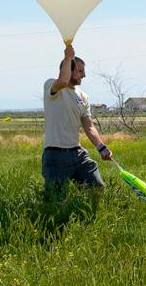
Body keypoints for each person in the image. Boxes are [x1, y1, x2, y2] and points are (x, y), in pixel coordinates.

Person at [41, 43, 112, 195]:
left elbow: (89, 126)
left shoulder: (83, 96)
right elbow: (63, 81)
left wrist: (101, 147)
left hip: (78, 153)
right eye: (80, 71)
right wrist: (68, 57)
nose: (84, 75)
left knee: (96, 188)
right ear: (67, 69)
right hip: (55, 155)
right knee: (55, 199)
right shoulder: (53, 86)